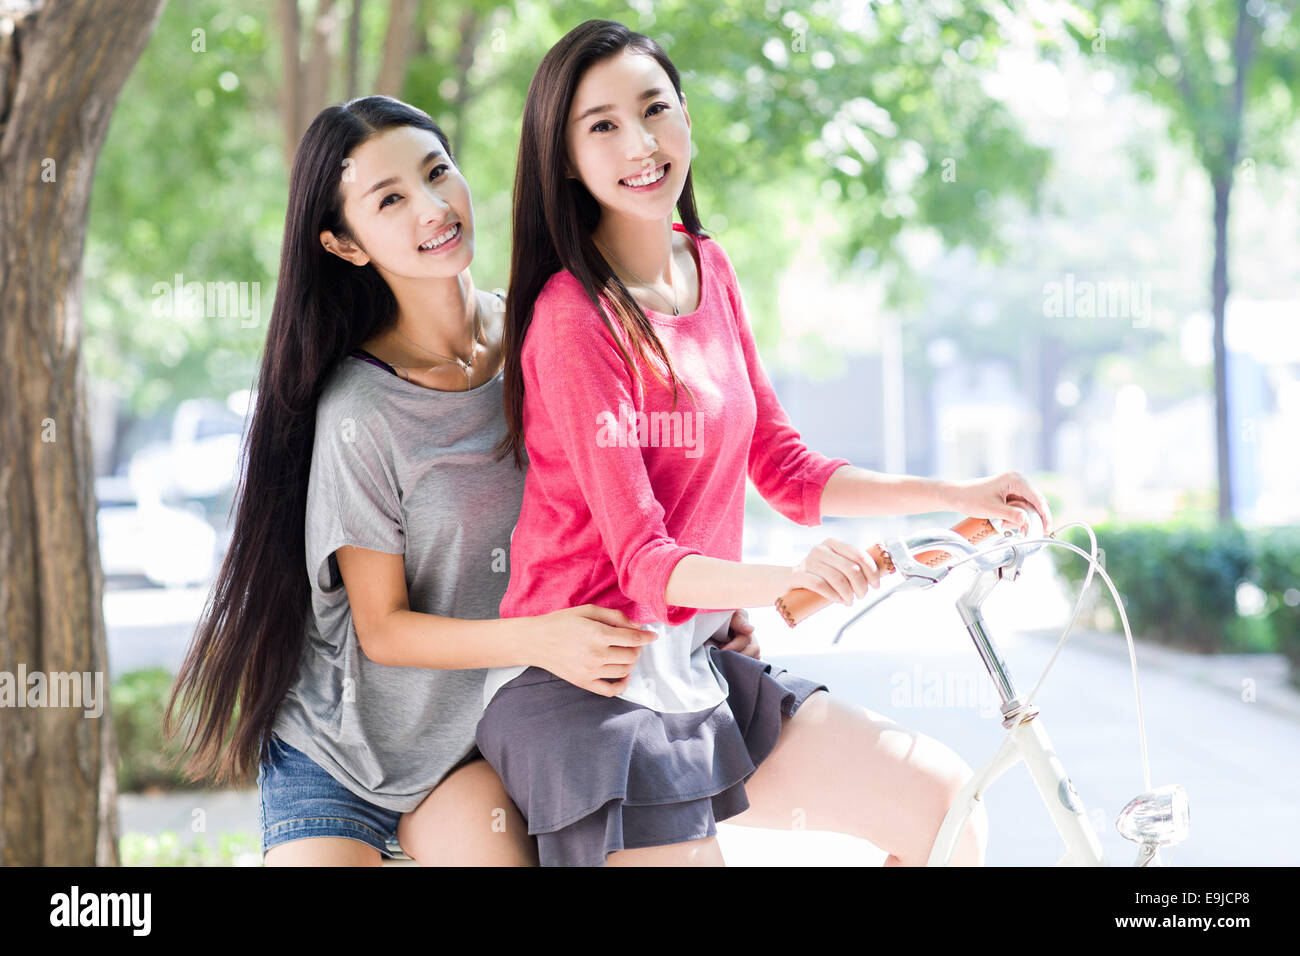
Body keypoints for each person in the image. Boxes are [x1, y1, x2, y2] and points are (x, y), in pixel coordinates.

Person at [475, 20, 1054, 867]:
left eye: (655, 110)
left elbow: (784, 467)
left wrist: (960, 495)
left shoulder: (707, 266)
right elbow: (643, 562)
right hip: (581, 686)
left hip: (694, 660)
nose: (640, 142)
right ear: (564, 159)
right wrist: (795, 577)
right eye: (601, 125)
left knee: (947, 812)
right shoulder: (573, 319)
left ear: (686, 119)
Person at [162, 94, 759, 867]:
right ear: (344, 245)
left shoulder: (555, 335)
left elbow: (631, 521)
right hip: (339, 753)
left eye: (438, 172)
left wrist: (702, 617)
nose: (433, 206)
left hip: (477, 742)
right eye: (391, 199)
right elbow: (382, 629)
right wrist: (541, 638)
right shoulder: (363, 407)